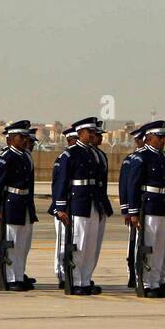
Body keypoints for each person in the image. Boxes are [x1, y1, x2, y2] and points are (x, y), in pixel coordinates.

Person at [52, 118, 109, 295]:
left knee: (90, 245)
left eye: (94, 132)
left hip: (91, 202)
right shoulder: (70, 154)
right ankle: (75, 280)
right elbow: (61, 181)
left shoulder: (93, 153)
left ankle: (85, 280)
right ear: (81, 133)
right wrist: (60, 207)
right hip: (77, 203)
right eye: (89, 132)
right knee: (78, 243)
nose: (92, 135)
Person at [124, 121, 165, 297]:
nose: (162, 141)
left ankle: (155, 282)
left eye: (163, 138)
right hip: (148, 205)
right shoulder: (141, 157)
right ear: (150, 138)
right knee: (148, 245)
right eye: (159, 137)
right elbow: (133, 185)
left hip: (162, 205)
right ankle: (145, 283)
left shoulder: (164, 157)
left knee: (159, 247)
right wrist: (133, 212)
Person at [0, 120, 36, 291]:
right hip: (11, 202)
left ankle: (18, 274)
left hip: (23, 203)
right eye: (21, 137)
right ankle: (10, 278)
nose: (25, 140)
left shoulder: (24, 156)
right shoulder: (5, 157)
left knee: (22, 244)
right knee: (12, 242)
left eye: (25, 137)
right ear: (11, 138)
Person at [118, 127, 147, 288]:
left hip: (145, 207)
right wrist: (127, 210)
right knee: (134, 242)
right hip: (135, 208)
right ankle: (133, 273)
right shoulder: (131, 159)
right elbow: (125, 186)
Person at [51, 126, 79, 288]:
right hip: (64, 207)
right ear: (70, 141)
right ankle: (61, 274)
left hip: (75, 206)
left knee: (74, 242)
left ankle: (71, 272)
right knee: (62, 243)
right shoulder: (63, 158)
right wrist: (58, 207)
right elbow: (57, 185)